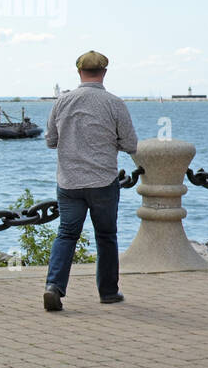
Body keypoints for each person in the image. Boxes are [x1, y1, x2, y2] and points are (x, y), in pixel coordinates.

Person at [42, 51, 138, 312]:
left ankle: (54, 287)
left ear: (79, 72)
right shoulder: (115, 103)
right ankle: (108, 292)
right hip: (103, 181)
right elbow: (130, 144)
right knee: (106, 236)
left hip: (69, 182)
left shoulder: (62, 102)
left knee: (66, 234)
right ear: (104, 72)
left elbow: (51, 140)